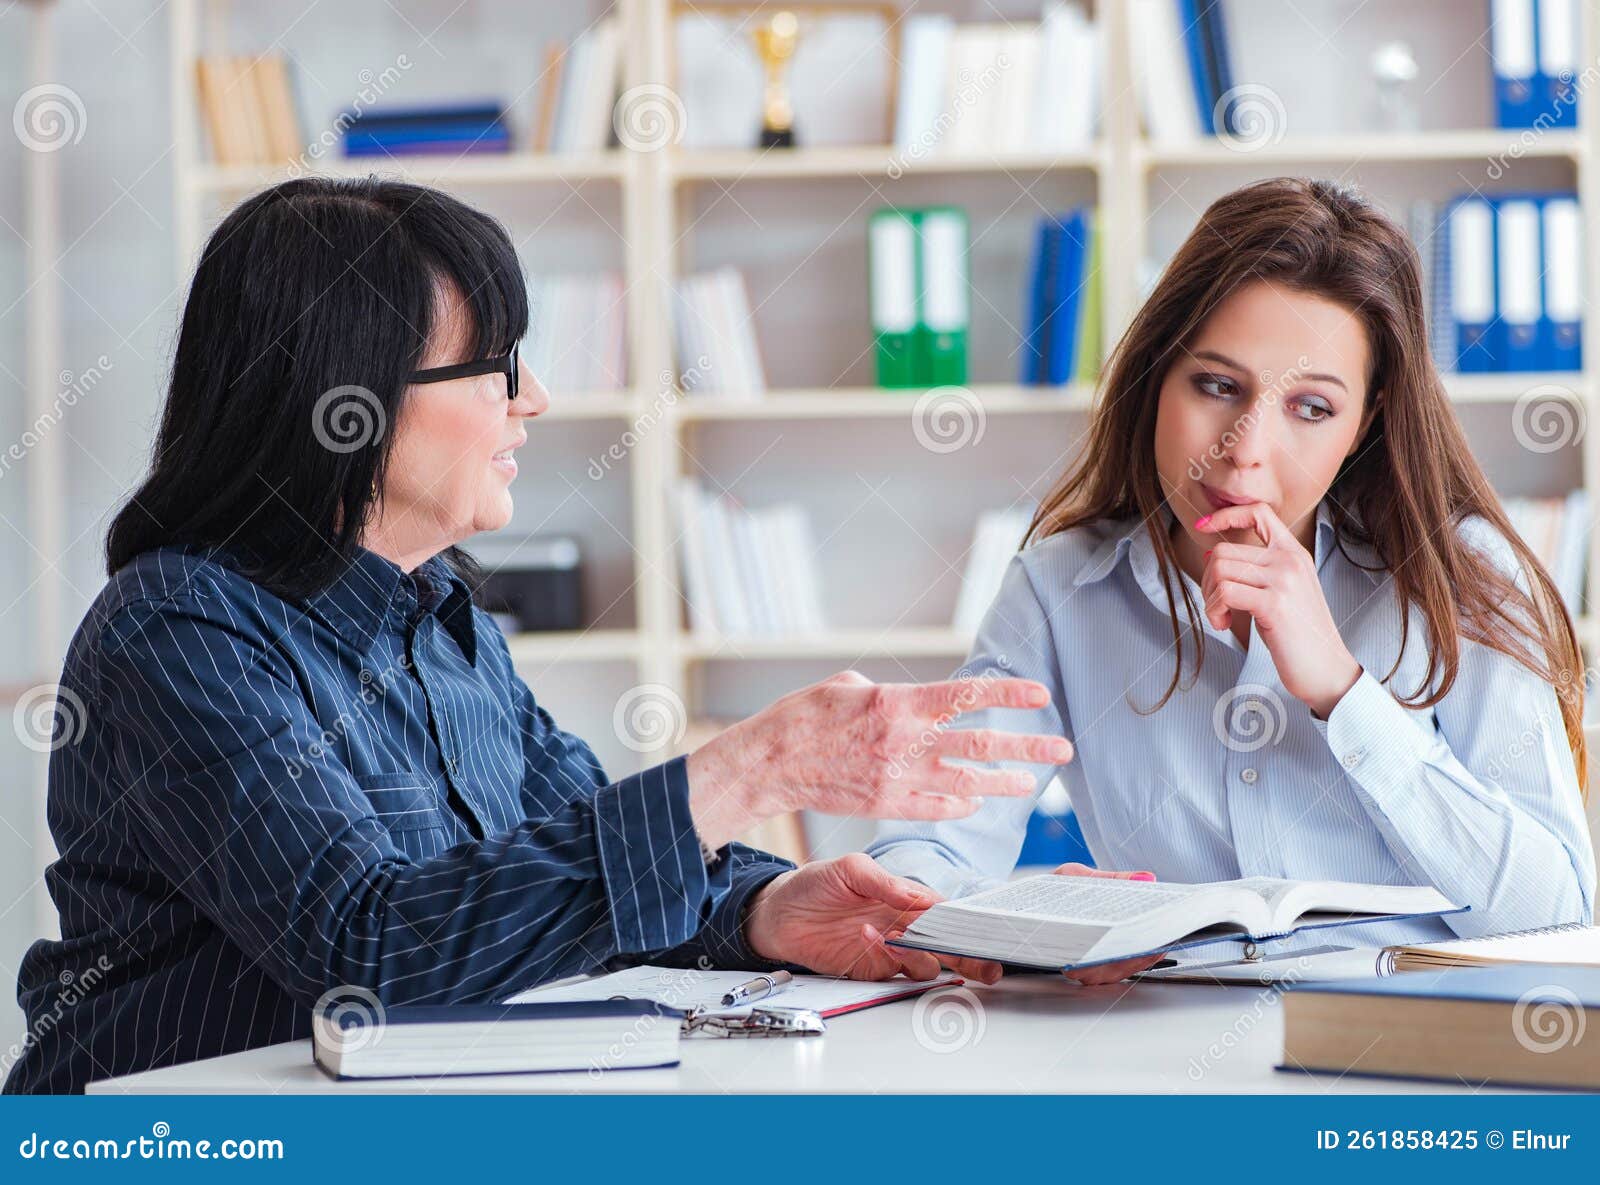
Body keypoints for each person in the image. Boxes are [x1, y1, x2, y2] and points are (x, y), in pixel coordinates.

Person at [4, 177, 1062, 1093]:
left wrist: (765, 907)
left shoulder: (448, 622)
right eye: (497, 367)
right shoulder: (178, 629)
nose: (536, 399)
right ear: (349, 399)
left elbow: (562, 870)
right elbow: (366, 955)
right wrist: (751, 768)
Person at [870, 177, 1596, 981]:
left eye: (1312, 408)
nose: (1244, 451)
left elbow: (1557, 918)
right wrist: (1040, 922)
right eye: (1217, 386)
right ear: (1157, 374)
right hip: (1168, 1041)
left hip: (1405, 1035)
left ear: (1366, 422)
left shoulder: (1462, 577)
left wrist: (1344, 692)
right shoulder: (1059, 590)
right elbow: (919, 862)